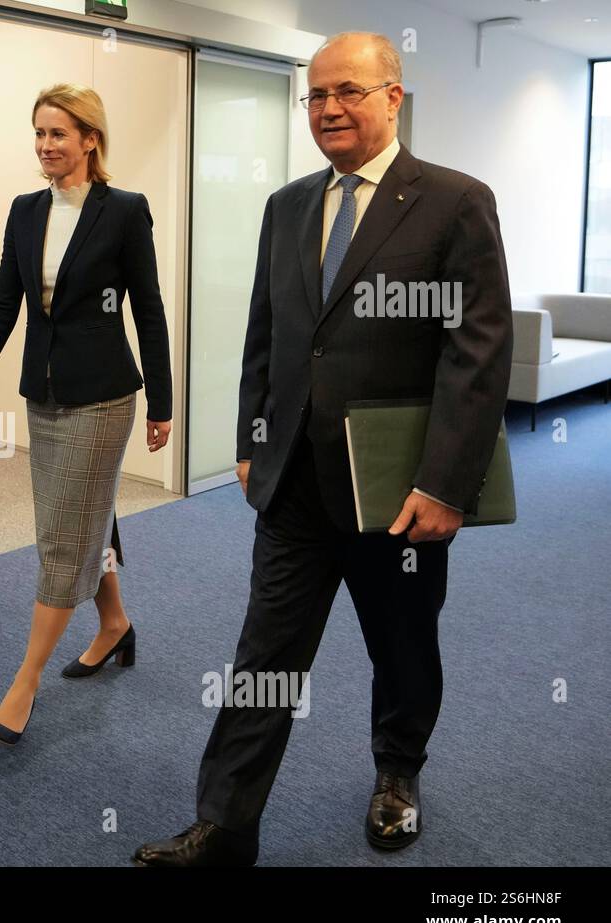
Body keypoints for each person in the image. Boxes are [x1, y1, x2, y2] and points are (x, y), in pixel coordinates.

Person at [134, 32, 512, 864]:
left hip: (395, 491)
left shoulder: (454, 201)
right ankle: (227, 826)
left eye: (348, 91)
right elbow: (267, 338)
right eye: (315, 96)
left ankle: (398, 774)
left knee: (403, 644)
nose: (329, 108)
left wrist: (447, 484)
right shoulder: (290, 204)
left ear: (393, 96)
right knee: (263, 654)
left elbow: (476, 353)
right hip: (295, 483)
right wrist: (249, 440)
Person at [0, 83, 173, 745]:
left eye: (59, 134)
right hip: (42, 397)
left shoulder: (124, 212)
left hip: (103, 397)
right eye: (39, 134)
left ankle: (25, 681)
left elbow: (149, 311)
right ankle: (114, 625)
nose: (46, 146)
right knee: (81, 518)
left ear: (90, 140)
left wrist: (162, 403)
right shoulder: (25, 212)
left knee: (58, 538)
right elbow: (2, 305)